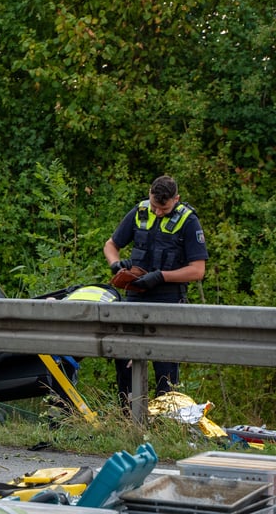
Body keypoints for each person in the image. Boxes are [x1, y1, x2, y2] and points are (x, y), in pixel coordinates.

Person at [103, 175, 208, 408]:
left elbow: (198, 270)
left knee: (166, 371)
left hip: (168, 300)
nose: (158, 212)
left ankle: (164, 424)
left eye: (164, 208)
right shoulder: (140, 211)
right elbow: (111, 245)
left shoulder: (188, 222)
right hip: (135, 297)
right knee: (124, 359)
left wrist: (161, 276)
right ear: (149, 194)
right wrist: (115, 264)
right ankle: (129, 418)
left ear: (176, 199)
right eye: (154, 206)